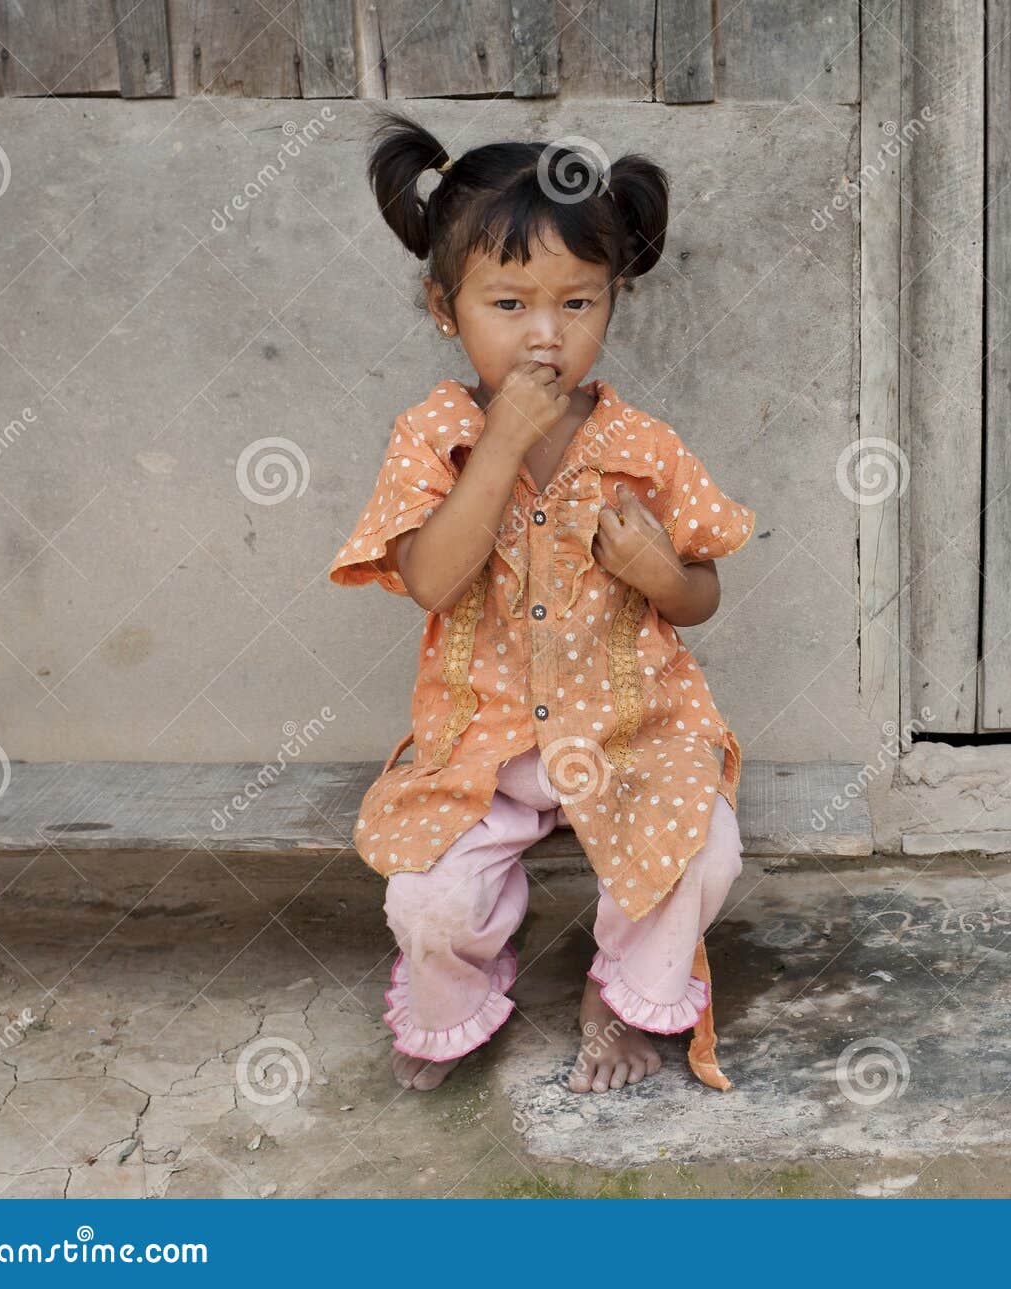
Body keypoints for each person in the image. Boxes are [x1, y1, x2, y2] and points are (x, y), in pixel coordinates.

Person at [327, 111, 756, 1095]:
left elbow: (702, 592)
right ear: (445, 308)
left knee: (704, 853)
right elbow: (430, 579)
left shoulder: (641, 445)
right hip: (481, 745)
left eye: (577, 302)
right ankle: (454, 999)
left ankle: (618, 994)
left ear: (612, 301)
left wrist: (660, 574)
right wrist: (504, 446)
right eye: (510, 302)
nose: (546, 334)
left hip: (631, 731)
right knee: (429, 900)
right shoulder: (434, 437)